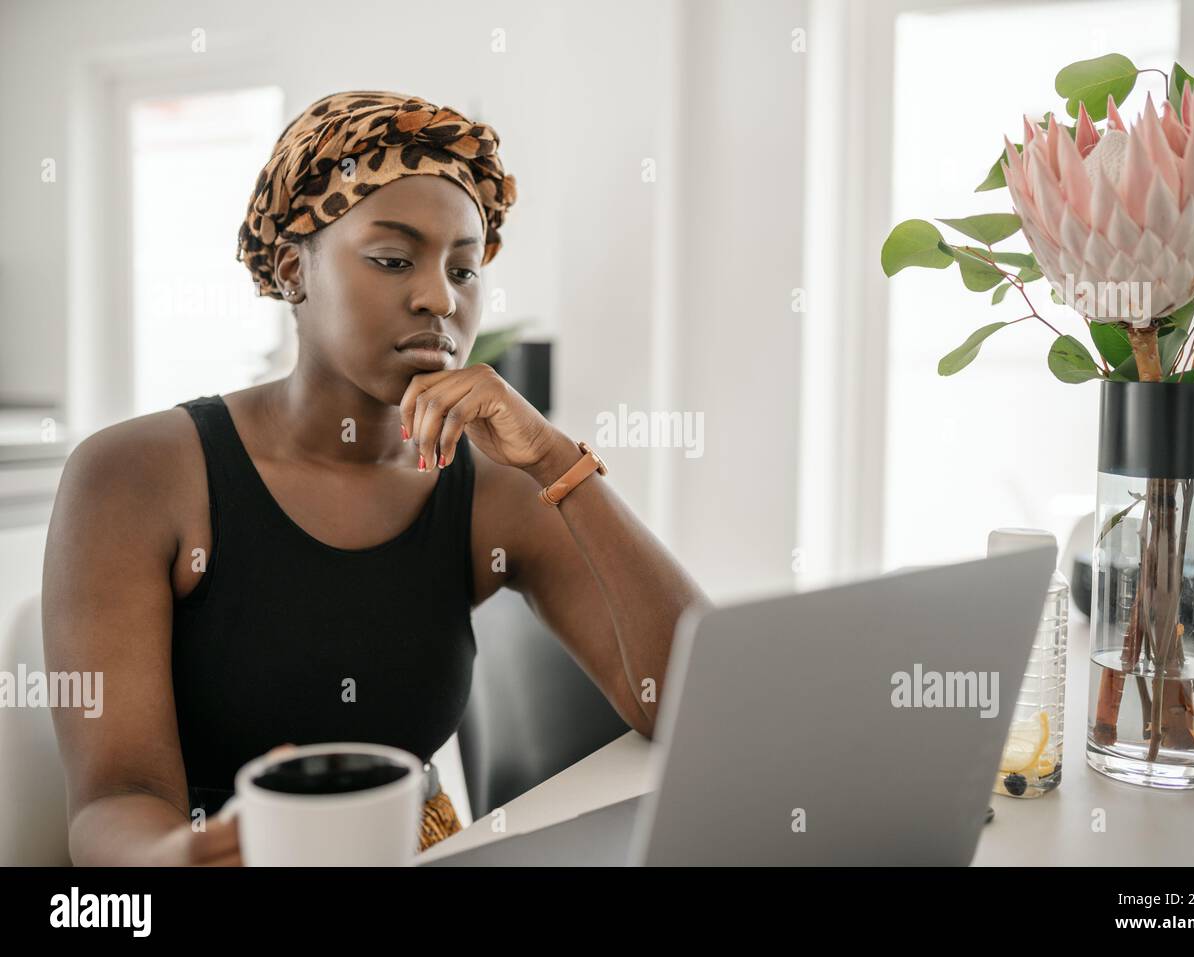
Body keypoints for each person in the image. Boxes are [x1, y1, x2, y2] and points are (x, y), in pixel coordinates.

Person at [42, 91, 710, 866]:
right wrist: (175, 859)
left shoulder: (495, 484)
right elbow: (114, 796)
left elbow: (696, 713)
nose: (440, 298)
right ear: (294, 269)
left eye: (465, 268)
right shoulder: (134, 475)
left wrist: (560, 461)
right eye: (394, 259)